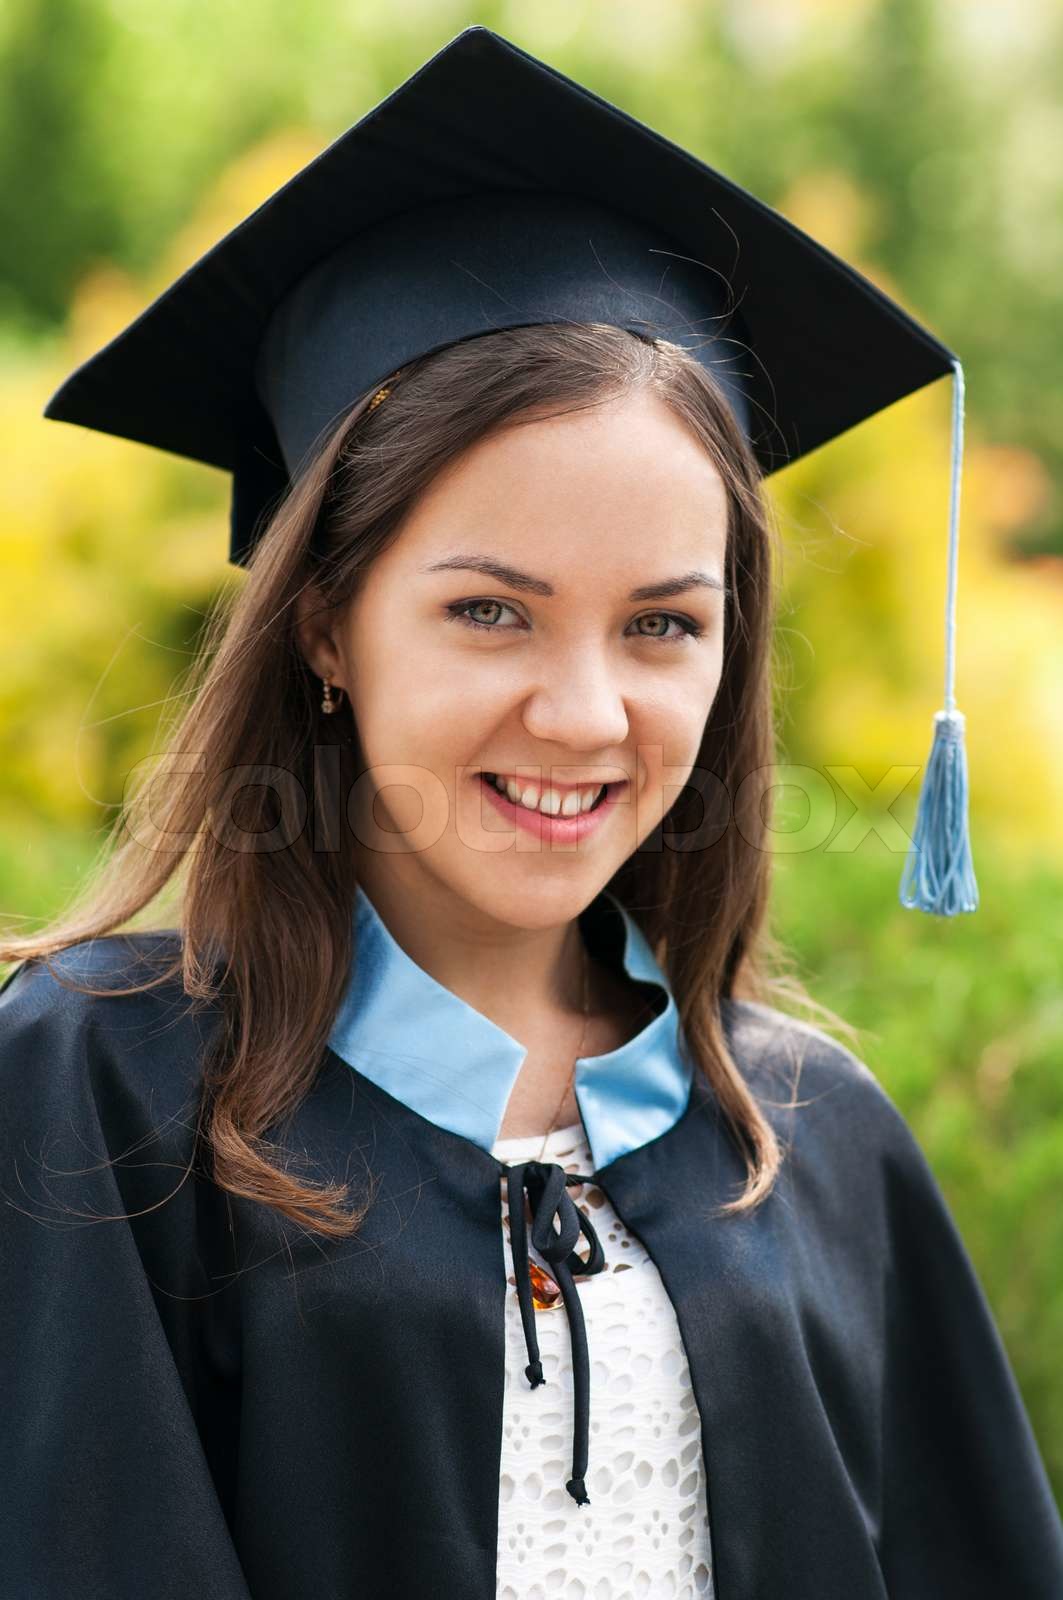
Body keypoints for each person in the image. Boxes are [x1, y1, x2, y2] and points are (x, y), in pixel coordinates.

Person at [2, 25, 1061, 1600]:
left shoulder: (814, 1141)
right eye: (492, 613)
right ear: (323, 626)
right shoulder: (101, 1095)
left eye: (664, 625)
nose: (585, 712)